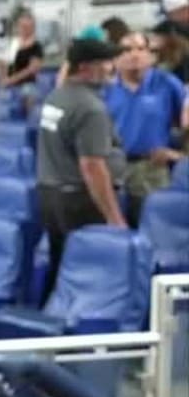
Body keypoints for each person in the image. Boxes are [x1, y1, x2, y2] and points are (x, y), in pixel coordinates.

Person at [35, 38, 127, 303]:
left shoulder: (57, 96)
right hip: (79, 202)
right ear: (86, 68)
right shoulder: (90, 108)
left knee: (59, 267)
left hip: (50, 194)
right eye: (106, 63)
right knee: (85, 277)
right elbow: (92, 166)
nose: (112, 68)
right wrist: (113, 216)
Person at [103, 31, 187, 226]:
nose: (134, 55)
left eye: (141, 49)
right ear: (115, 58)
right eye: (126, 50)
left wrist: (178, 154)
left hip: (152, 170)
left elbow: (184, 122)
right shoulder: (104, 88)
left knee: (156, 229)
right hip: (115, 169)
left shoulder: (167, 83)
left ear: (150, 56)